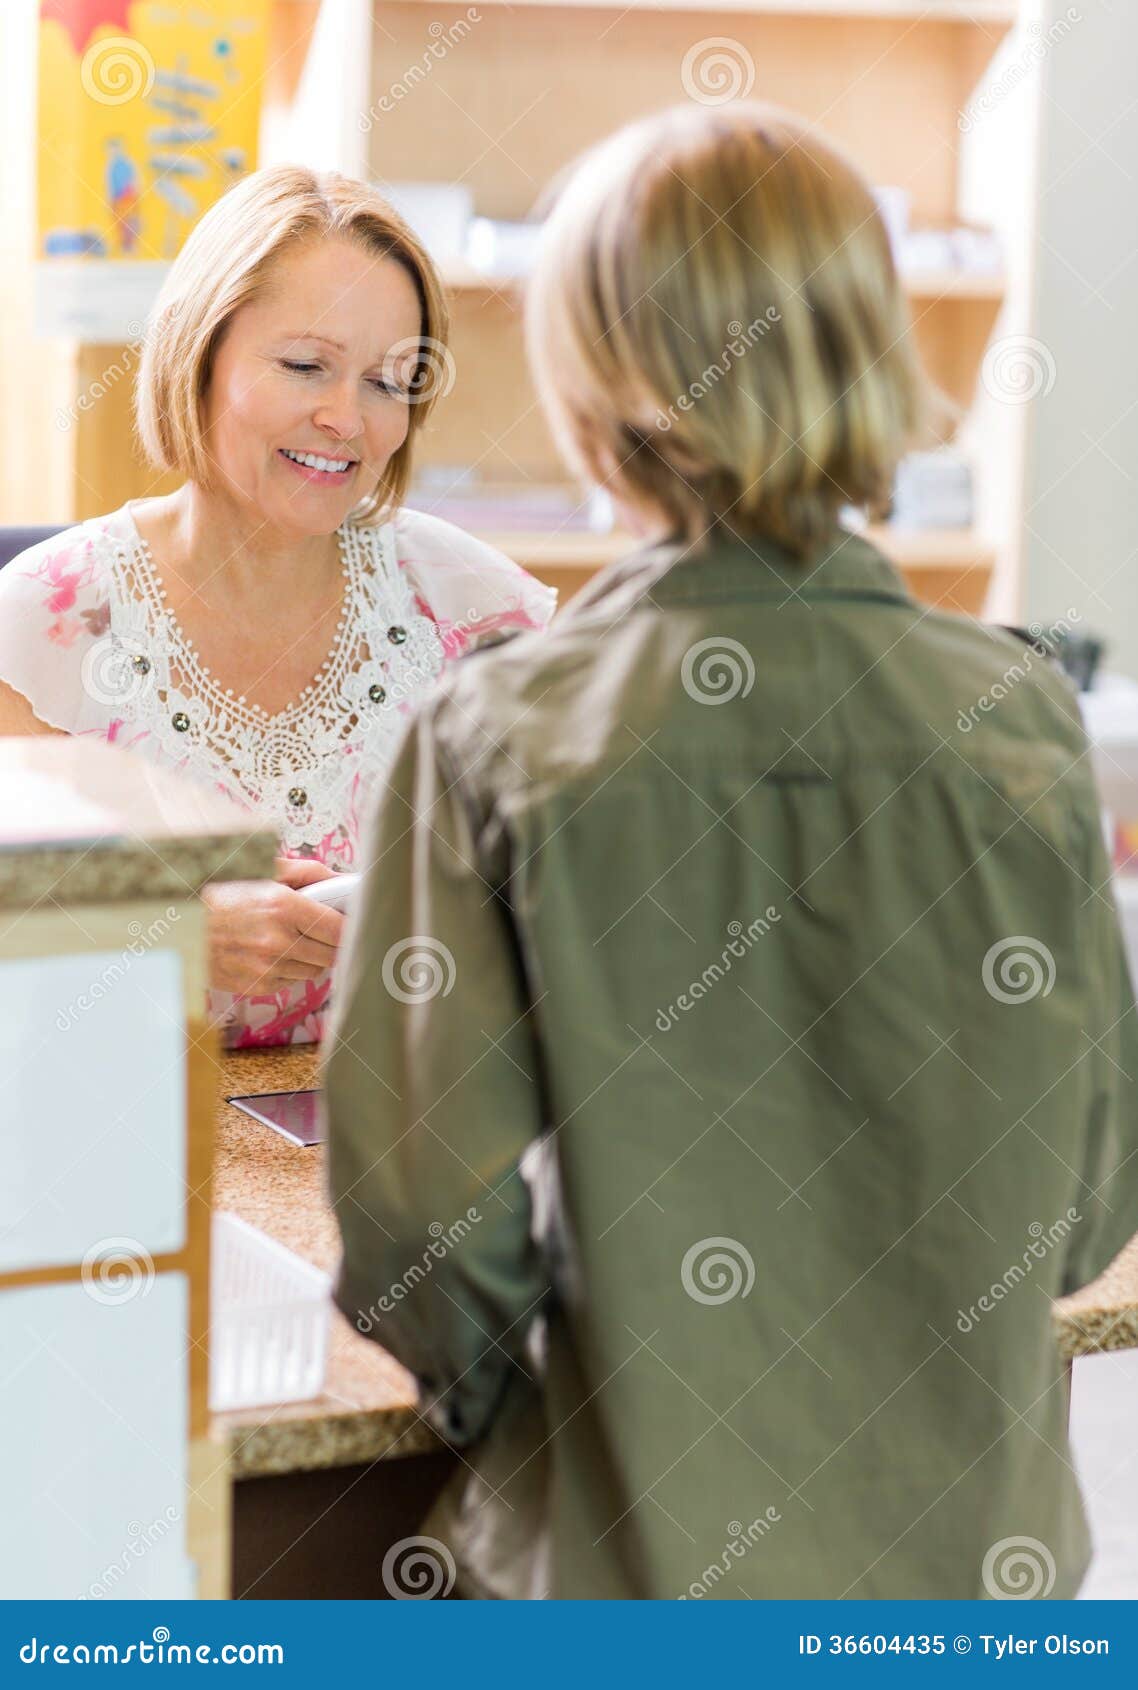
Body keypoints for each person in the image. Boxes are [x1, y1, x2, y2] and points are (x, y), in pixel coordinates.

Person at [323, 103, 1138, 1598]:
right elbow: (1086, 1201)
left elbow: (416, 1215)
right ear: (867, 347)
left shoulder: (500, 734)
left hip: (621, 1565)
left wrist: (560, 1419)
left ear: (594, 380)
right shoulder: (1020, 720)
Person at [0, 165, 555, 1045]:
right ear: (201, 354)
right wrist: (168, 932)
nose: (348, 418)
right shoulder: (39, 626)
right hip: (134, 1134)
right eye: (306, 366)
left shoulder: (473, 609)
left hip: (406, 1138)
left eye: (389, 381)